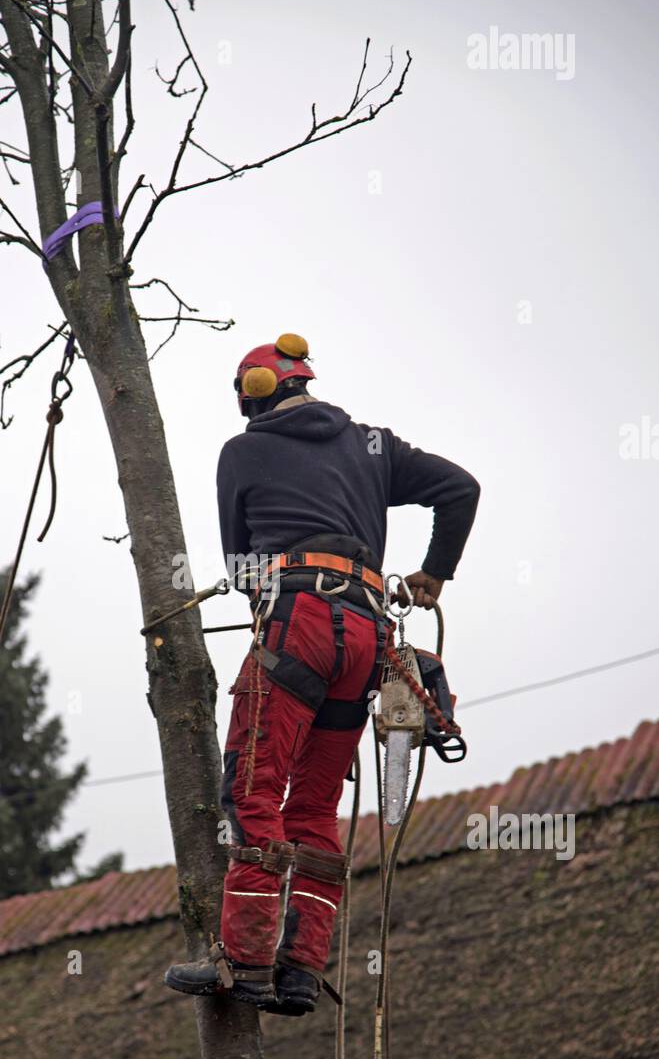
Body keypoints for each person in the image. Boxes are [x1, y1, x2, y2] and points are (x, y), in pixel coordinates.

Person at [165, 333, 480, 1015]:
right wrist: (432, 575)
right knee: (310, 808)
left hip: (296, 624)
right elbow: (459, 489)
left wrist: (269, 617)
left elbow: (240, 568)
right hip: (367, 636)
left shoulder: (242, 452)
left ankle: (243, 964)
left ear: (253, 394)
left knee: (253, 786)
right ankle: (300, 969)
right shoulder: (374, 445)